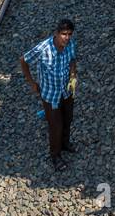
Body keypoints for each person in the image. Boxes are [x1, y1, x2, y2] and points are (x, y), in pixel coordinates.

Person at [20, 19, 77, 170]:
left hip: (66, 91)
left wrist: (73, 76)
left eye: (69, 34)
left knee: (68, 119)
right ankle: (55, 155)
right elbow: (24, 60)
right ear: (56, 33)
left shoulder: (70, 44)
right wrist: (32, 83)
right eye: (64, 34)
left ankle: (65, 144)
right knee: (56, 126)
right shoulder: (43, 49)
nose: (67, 37)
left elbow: (72, 60)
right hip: (50, 95)